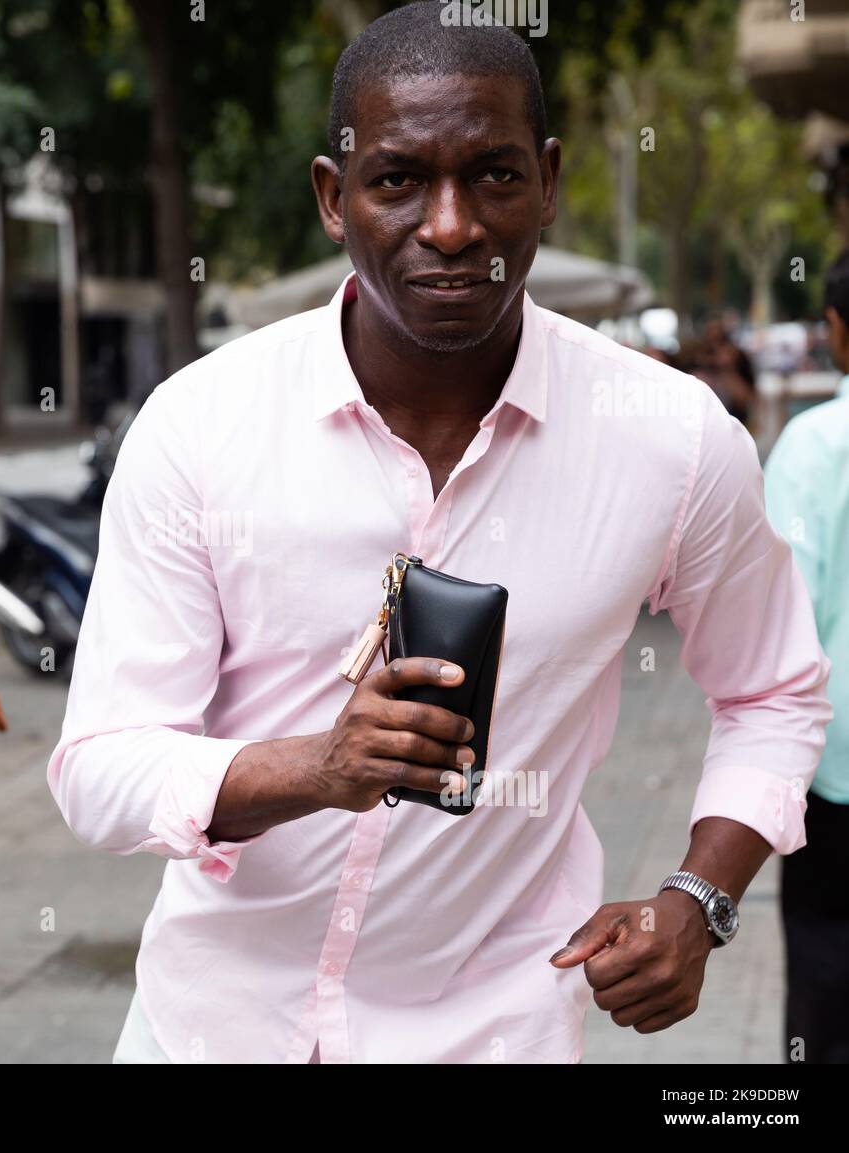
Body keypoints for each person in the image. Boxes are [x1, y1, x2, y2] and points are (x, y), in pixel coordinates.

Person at [47, 2, 831, 1064]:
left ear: (549, 182)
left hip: (494, 1030)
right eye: (398, 178)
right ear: (335, 197)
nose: (451, 224)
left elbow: (771, 690)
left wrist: (700, 897)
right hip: (212, 1028)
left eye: (494, 176)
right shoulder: (201, 426)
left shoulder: (673, 440)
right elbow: (99, 767)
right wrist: (314, 768)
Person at [763, 249, 849, 1064]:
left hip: (834, 777)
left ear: (835, 333)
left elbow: (785, 630)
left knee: (826, 978)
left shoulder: (816, 445)